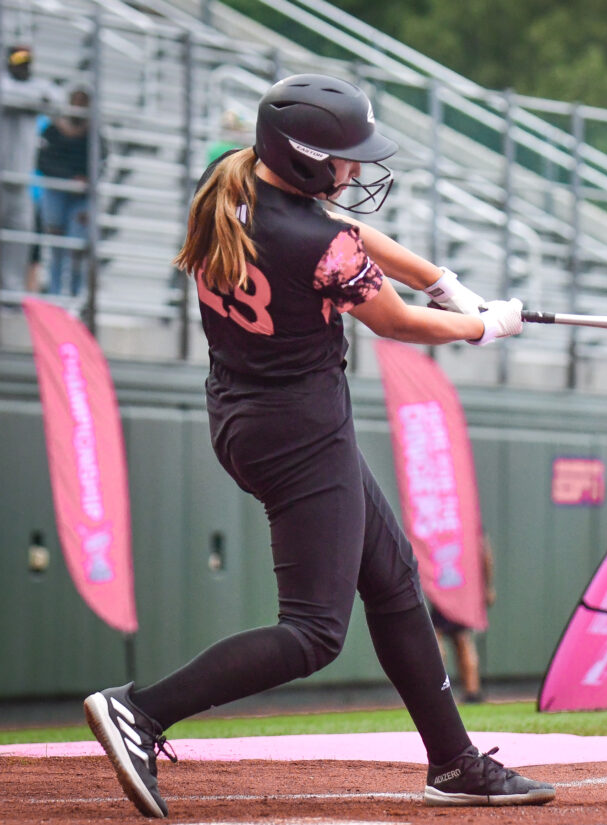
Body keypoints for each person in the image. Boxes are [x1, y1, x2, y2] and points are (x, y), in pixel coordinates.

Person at [82, 73, 554, 818]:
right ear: (303, 159)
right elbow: (396, 322)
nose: (355, 170)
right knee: (313, 632)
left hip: (248, 414)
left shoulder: (229, 182)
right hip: (300, 431)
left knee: (394, 577)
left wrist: (443, 279)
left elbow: (349, 237)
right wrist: (483, 324)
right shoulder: (316, 242)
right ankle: (140, 709)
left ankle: (454, 762)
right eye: (342, 158)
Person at [0, 45, 59, 292]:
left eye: (27, 62)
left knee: (20, 238)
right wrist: (34, 100)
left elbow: (56, 100)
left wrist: (32, 99)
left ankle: (10, 294)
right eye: (19, 61)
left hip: (21, 180)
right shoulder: (7, 83)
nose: (24, 67)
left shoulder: (36, 86)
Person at [37, 86, 93, 296]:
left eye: (83, 102)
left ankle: (75, 296)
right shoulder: (52, 130)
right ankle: (55, 294)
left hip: (81, 198)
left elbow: (100, 163)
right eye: (76, 101)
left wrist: (85, 180)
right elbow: (43, 162)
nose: (79, 106)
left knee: (77, 248)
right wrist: (69, 179)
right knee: (57, 247)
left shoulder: (94, 133)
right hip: (56, 194)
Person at [431, 531, 495, 703]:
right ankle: (468, 692)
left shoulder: (457, 520)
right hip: (449, 589)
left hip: (454, 588)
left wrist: (487, 586)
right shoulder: (459, 520)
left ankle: (460, 691)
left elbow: (485, 552)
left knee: (453, 638)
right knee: (456, 638)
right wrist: (487, 586)